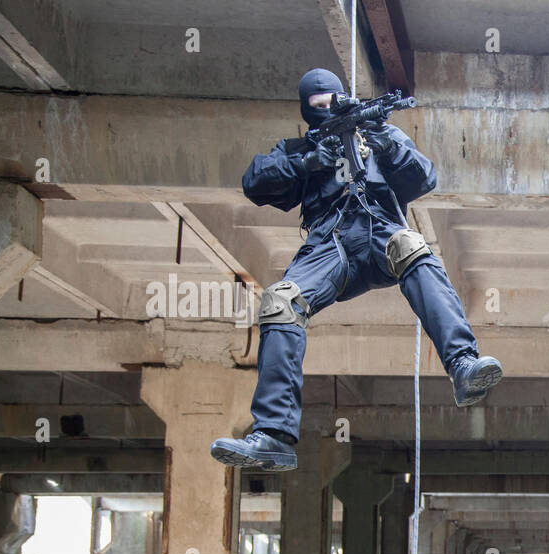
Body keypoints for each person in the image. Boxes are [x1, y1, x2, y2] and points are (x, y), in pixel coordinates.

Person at [210, 68, 502, 471]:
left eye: (330, 101)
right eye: (315, 106)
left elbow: (424, 177)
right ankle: (274, 435)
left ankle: (463, 365)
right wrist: (308, 162)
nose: (324, 110)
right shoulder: (299, 148)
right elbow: (255, 182)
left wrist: (384, 141)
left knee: (411, 244)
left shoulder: (377, 133)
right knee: (281, 301)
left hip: (380, 229)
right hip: (329, 246)